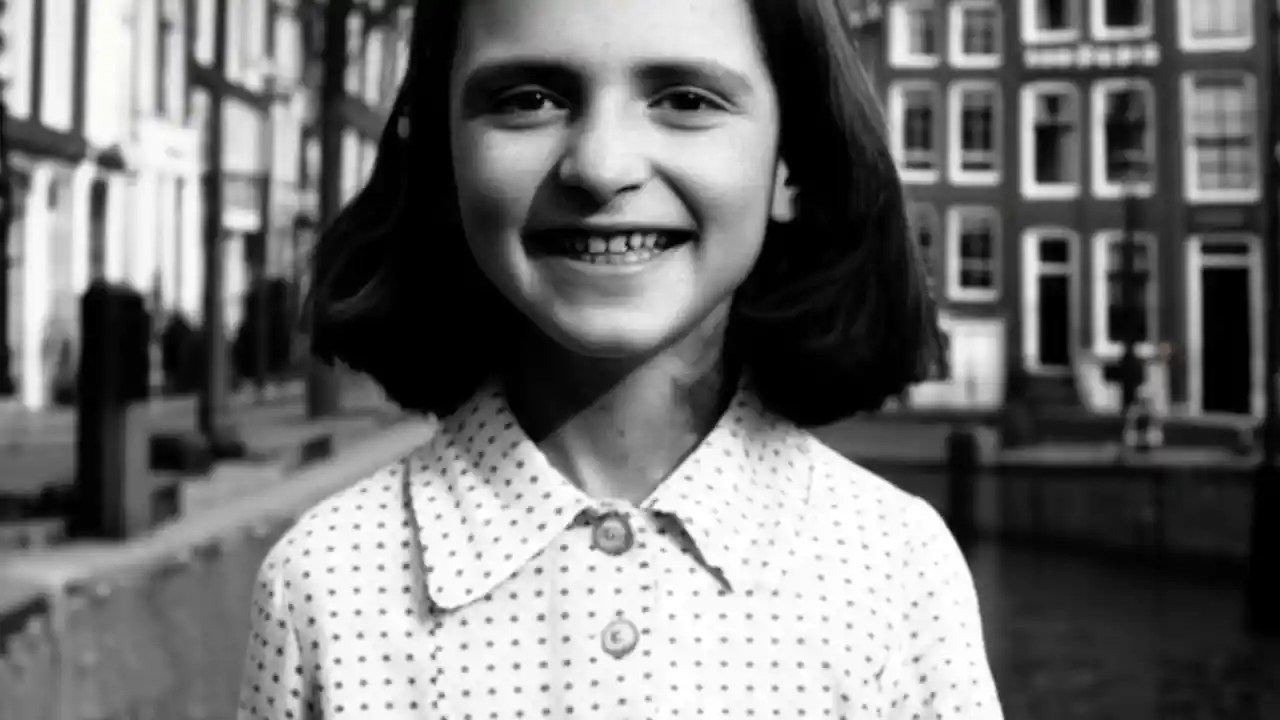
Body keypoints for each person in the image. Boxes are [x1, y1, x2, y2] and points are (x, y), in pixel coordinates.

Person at [237, 0, 1004, 717]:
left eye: (686, 99)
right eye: (529, 98)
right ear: (444, 159)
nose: (601, 166)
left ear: (790, 164)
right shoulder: (321, 588)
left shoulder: (897, 573)